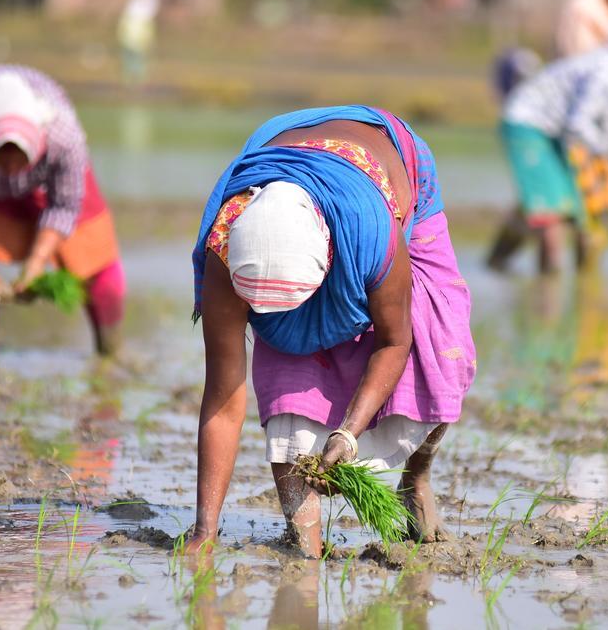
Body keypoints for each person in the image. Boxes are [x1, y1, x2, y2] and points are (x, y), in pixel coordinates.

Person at [185, 106, 476, 558]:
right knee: (286, 366)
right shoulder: (226, 248)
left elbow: (393, 342)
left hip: (392, 164)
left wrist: (347, 434)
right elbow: (223, 401)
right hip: (286, 148)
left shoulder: (373, 230)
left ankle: (415, 478)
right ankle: (306, 540)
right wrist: (205, 532)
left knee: (437, 342)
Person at [0, 65, 125, 362]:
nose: (14, 172)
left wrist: (37, 262)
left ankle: (110, 352)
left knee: (94, 254)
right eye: (5, 160)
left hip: (49, 171)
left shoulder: (63, 136)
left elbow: (65, 206)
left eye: (20, 159)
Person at [488, 12, 608, 274]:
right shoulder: (607, 70)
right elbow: (578, 125)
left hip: (550, 131)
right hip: (527, 124)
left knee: (569, 208)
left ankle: (497, 262)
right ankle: (547, 296)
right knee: (551, 216)